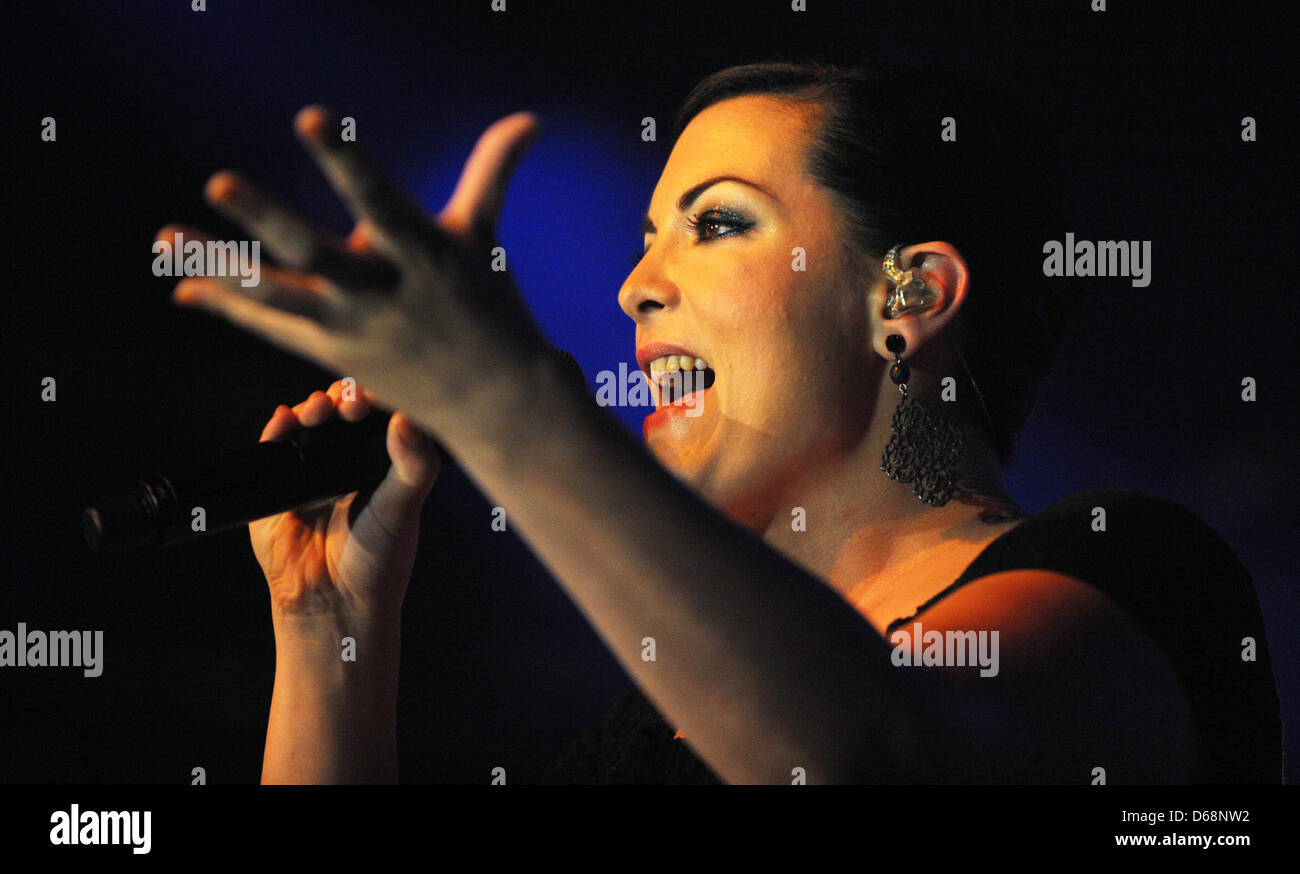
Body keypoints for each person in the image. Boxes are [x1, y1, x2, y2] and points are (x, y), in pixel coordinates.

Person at [157, 61, 1283, 784]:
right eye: (647, 234)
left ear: (910, 296)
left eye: (715, 224)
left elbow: (874, 760)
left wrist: (502, 402)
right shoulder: (644, 738)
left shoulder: (1134, 573)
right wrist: (327, 634)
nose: (634, 286)